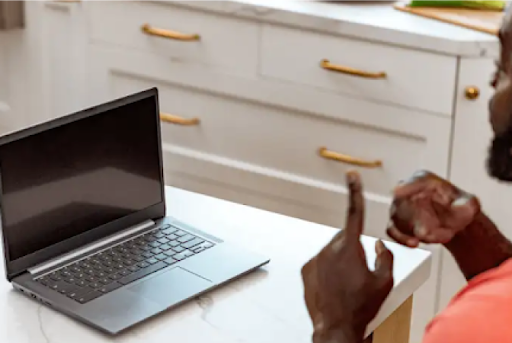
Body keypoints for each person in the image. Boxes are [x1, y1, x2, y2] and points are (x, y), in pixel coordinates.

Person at [301, 11, 512, 343]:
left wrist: (338, 327)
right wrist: (478, 244)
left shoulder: (471, 328)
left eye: (503, 68)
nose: (492, 85)